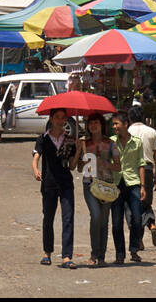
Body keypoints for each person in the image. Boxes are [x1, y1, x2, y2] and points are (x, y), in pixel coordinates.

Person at [32, 108, 80, 269]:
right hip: (49, 185)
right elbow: (36, 155)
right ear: (51, 119)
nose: (60, 120)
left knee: (68, 219)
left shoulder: (70, 140)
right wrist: (35, 170)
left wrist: (78, 149)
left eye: (63, 118)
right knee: (48, 219)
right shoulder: (43, 139)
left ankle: (67, 256)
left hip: (66, 184)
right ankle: (47, 253)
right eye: (57, 117)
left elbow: (72, 166)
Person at [78, 113, 121, 267]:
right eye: (91, 123)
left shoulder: (110, 144)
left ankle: (101, 256)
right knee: (96, 216)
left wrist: (105, 163)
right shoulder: (84, 144)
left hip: (106, 186)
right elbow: (78, 168)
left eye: (96, 122)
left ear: (102, 125)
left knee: (103, 221)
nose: (93, 125)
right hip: (89, 184)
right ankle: (94, 253)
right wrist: (82, 157)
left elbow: (118, 166)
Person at [110, 109, 148, 265]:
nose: (114, 127)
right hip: (116, 184)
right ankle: (120, 254)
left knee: (137, 219)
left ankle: (134, 249)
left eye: (116, 124)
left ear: (126, 124)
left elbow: (141, 164)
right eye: (113, 124)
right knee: (117, 222)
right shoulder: (111, 142)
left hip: (133, 184)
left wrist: (143, 186)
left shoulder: (137, 142)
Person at [128, 104, 156, 249]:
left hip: (131, 169)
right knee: (146, 202)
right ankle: (152, 224)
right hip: (148, 169)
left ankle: (138, 239)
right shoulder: (151, 131)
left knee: (131, 205)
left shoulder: (127, 130)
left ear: (130, 118)